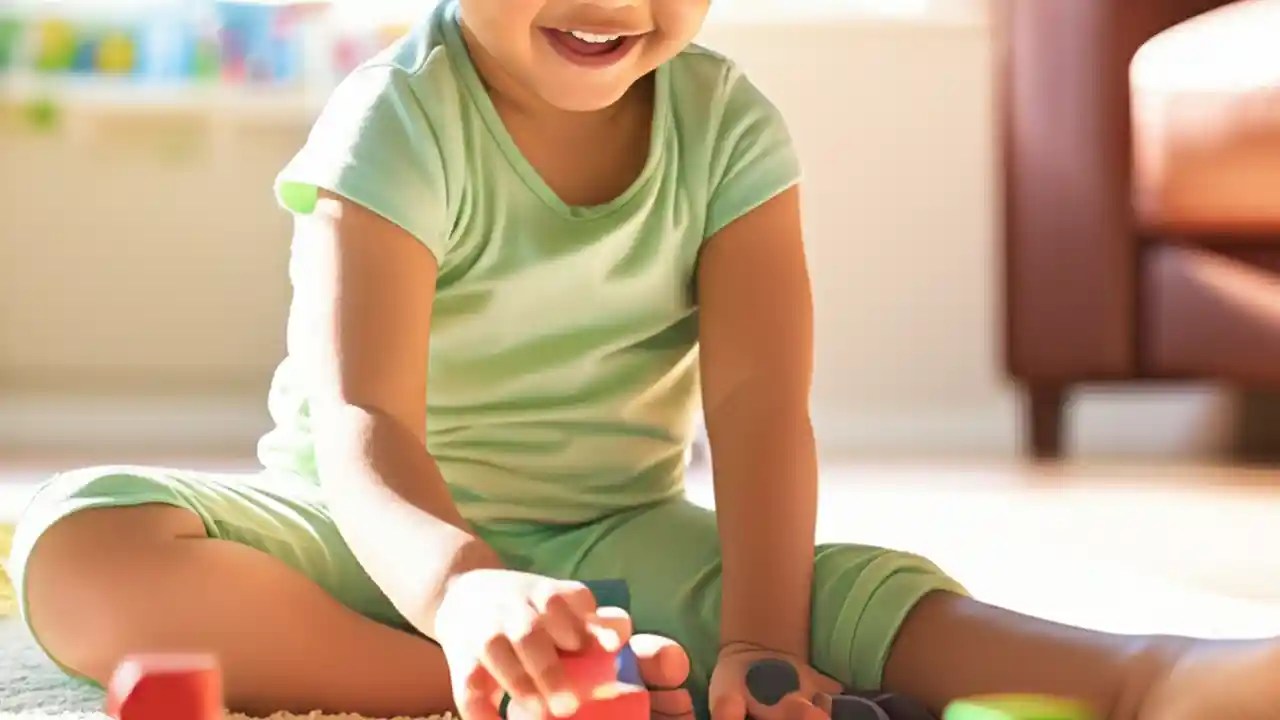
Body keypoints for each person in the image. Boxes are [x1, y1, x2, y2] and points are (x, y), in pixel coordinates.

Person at [9, 1, 1280, 719]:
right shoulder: (397, 122)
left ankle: (1143, 677)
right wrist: (460, 596)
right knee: (78, 546)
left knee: (852, 596)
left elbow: (758, 406)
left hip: (617, 541)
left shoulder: (726, 130)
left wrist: (761, 648)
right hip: (370, 549)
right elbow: (362, 419)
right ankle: (499, 694)